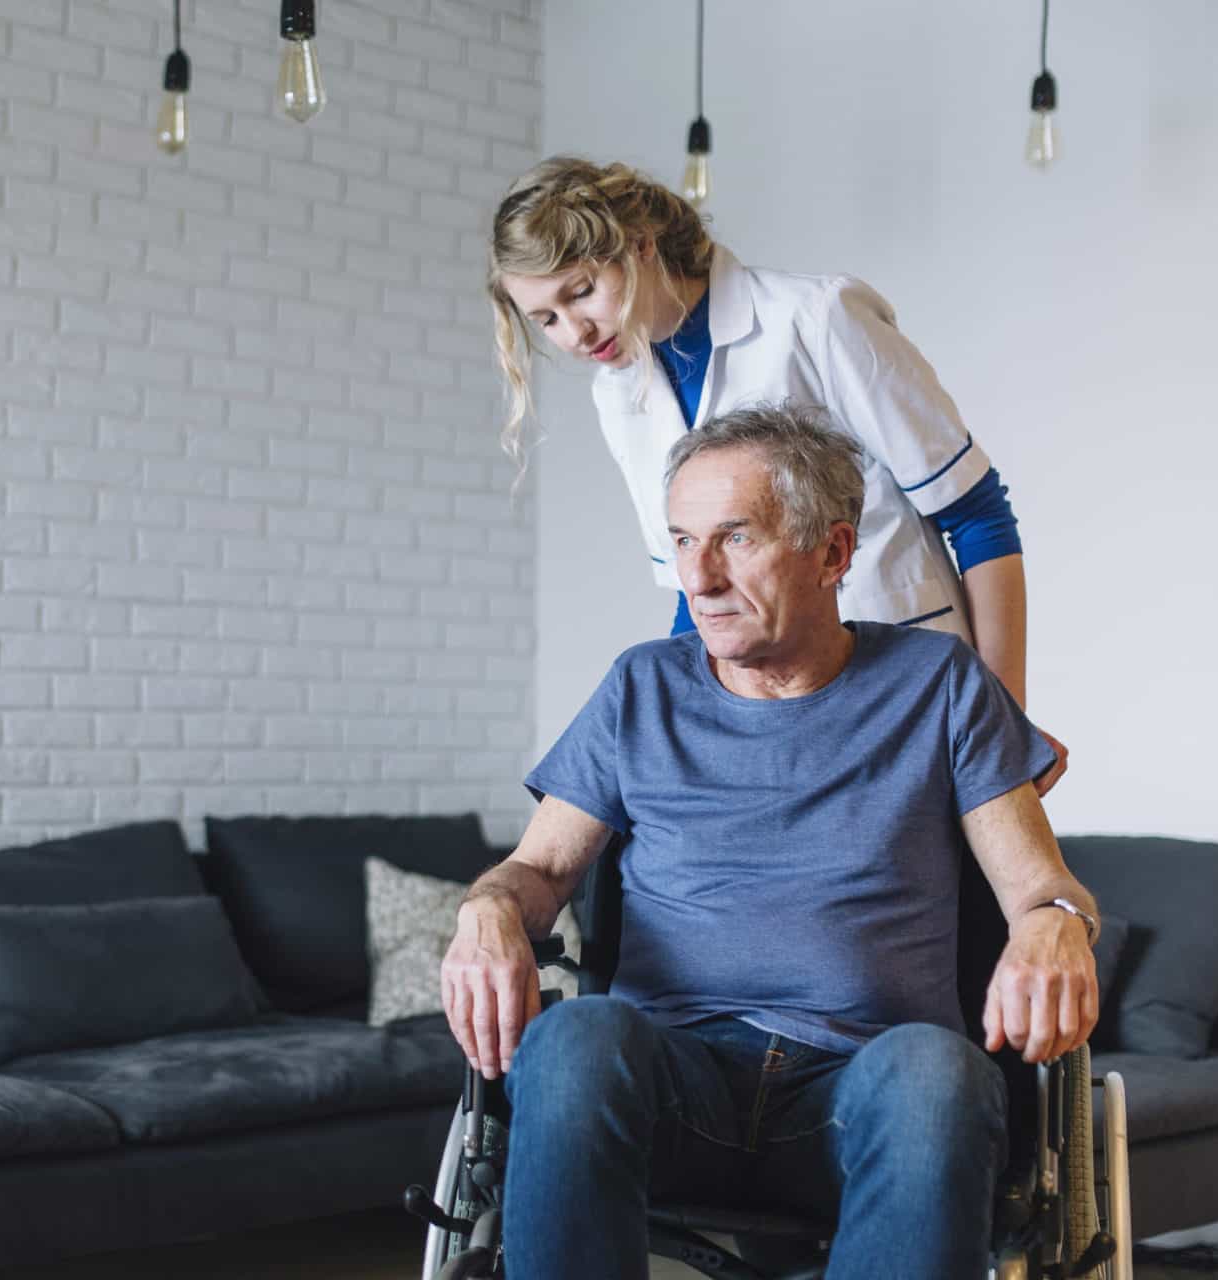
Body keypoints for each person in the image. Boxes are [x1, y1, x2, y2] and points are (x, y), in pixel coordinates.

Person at [439, 405, 1101, 1280]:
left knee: (937, 1073)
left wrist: (1054, 921)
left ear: (833, 553)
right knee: (572, 1040)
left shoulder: (938, 684)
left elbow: (1042, 890)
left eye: (735, 539)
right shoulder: (642, 689)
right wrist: (487, 909)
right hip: (671, 1089)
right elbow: (540, 867)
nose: (699, 578)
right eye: (681, 541)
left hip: (867, 1097)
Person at [487, 155, 1067, 794]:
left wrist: (1004, 723)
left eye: (582, 292)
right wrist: (691, 735)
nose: (574, 333)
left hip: (906, 690)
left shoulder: (817, 318)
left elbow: (978, 515)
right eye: (545, 319)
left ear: (641, 246)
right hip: (763, 715)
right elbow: (696, 592)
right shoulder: (618, 392)